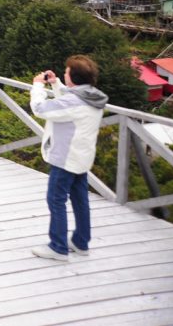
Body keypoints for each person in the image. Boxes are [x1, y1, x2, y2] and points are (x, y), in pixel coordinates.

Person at [29, 55, 108, 261]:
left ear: (73, 76)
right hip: (82, 157)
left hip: (64, 158)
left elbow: (40, 109)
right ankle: (81, 242)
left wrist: (38, 86)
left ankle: (58, 246)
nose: (64, 73)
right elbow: (69, 98)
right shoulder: (93, 97)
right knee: (80, 200)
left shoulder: (74, 102)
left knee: (56, 200)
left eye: (66, 72)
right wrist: (55, 83)